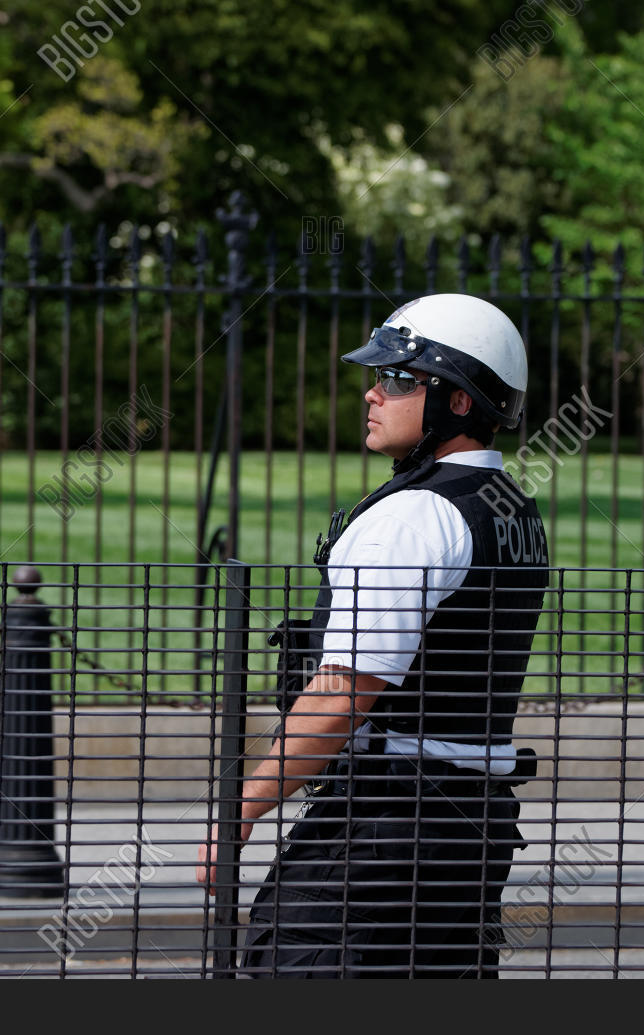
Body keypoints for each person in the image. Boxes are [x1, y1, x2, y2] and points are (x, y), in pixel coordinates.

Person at [195, 292, 550, 977]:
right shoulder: (509, 511)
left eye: (398, 379)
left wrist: (243, 808)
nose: (372, 392)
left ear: (459, 400)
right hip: (470, 823)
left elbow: (345, 690)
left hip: (387, 820)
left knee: (292, 963)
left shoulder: (411, 518)